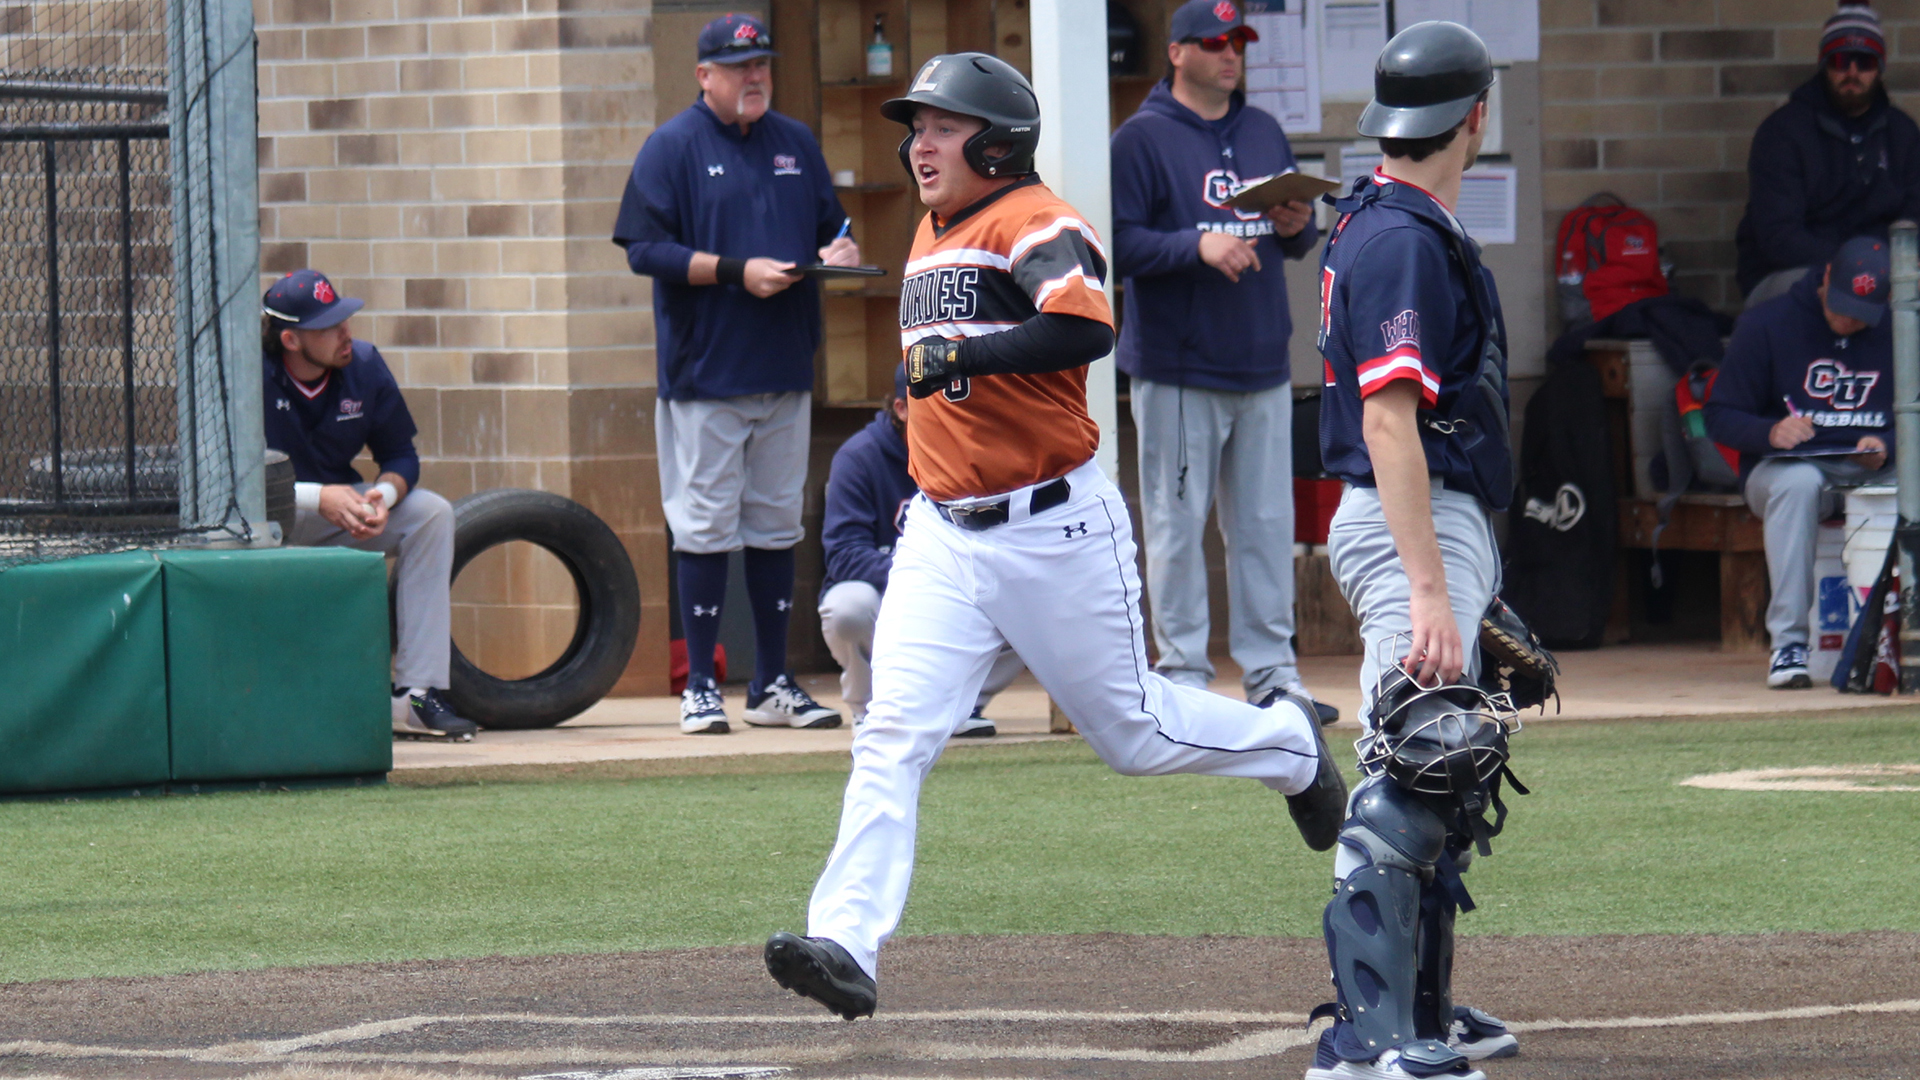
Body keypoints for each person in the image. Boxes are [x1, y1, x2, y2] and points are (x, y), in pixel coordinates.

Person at [763, 51, 1345, 1023]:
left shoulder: (1038, 219)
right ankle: (846, 942)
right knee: (893, 735)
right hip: (947, 536)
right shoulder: (933, 230)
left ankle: (1289, 748)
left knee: (1133, 734)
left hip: (1055, 529)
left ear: (995, 141)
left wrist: (970, 352)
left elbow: (1085, 328)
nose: (918, 145)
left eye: (940, 128)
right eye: (917, 129)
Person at [1309, 22, 1524, 1080]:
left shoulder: (1391, 219)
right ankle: (1366, 1038)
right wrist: (1431, 589)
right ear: (1475, 116)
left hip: (1431, 518)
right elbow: (1390, 421)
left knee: (1444, 768)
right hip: (1410, 518)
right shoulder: (1399, 235)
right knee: (1416, 759)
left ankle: (1424, 1010)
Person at [612, 13, 859, 736]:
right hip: (706, 371)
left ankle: (774, 682)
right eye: (739, 66)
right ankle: (701, 687)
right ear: (704, 76)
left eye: (762, 65)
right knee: (705, 526)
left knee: (777, 525)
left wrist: (839, 253)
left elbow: (830, 227)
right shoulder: (672, 146)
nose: (755, 77)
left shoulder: (795, 142)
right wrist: (731, 272)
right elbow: (643, 250)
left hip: (785, 363)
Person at [1110, 0, 1334, 721]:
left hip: (1262, 359)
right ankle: (1181, 675)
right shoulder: (1141, 138)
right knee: (1177, 526)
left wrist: (1296, 225)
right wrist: (1195, 246)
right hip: (1177, 370)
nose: (1231, 54)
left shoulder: (1264, 129)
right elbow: (1115, 244)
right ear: (1178, 52)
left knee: (1267, 526)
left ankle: (1272, 673)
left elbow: (1292, 238)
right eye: (1214, 42)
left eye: (1238, 40)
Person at [261, 269, 477, 742]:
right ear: (292, 340)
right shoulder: (250, 376)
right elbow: (237, 481)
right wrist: (322, 497)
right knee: (257, 516)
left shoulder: (363, 364)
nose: (346, 333)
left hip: (343, 510)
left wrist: (385, 494)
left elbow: (401, 454)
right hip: (267, 521)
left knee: (431, 514)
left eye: (345, 320)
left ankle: (417, 694)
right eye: (329, 327)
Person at [1706, 237, 1895, 689]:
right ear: (1826, 277)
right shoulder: (1767, 324)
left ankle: (1904, 638)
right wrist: (1768, 432)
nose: (1848, 320)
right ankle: (1789, 645)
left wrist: (1890, 442)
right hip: (1785, 468)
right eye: (1842, 306)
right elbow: (1718, 415)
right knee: (1799, 483)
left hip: (1871, 466)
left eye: (1860, 313)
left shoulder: (1900, 326)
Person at [818, 363, 1020, 735]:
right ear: (901, 409)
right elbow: (844, 554)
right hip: (887, 595)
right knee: (849, 606)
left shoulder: (971, 451)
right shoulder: (859, 457)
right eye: (933, 405)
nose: (947, 416)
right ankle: (874, 708)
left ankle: (960, 706)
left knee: (1026, 596)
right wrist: (923, 572)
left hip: (956, 597)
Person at [1736, 3, 1920, 307]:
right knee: (1823, 292)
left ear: (1880, 67)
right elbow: (1779, 238)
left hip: (1883, 272)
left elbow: (1914, 221)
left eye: (1864, 62)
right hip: (1794, 273)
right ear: (1824, 64)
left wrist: (1882, 269)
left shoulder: (1903, 133)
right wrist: (1855, 268)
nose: (1852, 72)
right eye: (1840, 60)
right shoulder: (1782, 132)